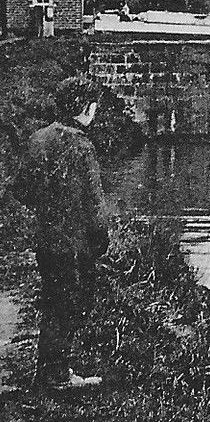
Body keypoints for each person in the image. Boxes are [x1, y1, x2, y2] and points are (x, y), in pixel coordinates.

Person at [14, 77, 110, 390]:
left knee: (53, 302)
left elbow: (22, 189)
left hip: (46, 239)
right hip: (74, 243)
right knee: (68, 305)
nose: (95, 111)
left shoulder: (38, 138)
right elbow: (94, 203)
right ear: (86, 107)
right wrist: (100, 238)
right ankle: (57, 375)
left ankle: (49, 371)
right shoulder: (82, 145)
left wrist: (48, 208)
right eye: (93, 105)